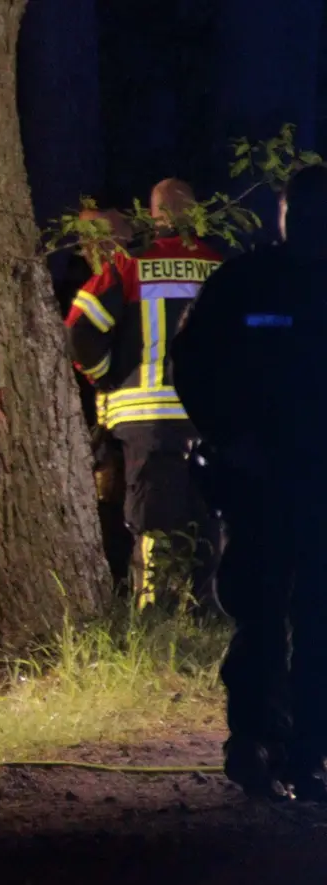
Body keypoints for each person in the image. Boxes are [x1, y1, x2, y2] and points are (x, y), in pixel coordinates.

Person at [174, 165, 327, 800]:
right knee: (261, 612)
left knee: (315, 618)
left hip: (314, 481)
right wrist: (229, 439)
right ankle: (257, 743)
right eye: (303, 209)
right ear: (285, 214)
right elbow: (191, 364)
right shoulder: (244, 282)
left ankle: (307, 754)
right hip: (260, 479)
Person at [64, 179, 225, 608]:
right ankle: (209, 612)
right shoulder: (223, 267)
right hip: (211, 420)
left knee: (154, 520)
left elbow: (80, 327)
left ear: (155, 218)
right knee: (208, 515)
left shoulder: (131, 266)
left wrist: (104, 376)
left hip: (148, 419)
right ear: (196, 214)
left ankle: (156, 615)